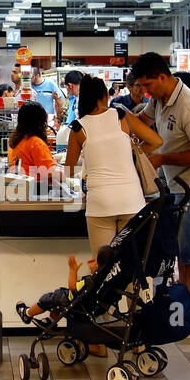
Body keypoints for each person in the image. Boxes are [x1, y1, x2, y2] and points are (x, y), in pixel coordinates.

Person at [131, 51, 190, 326]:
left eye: (147, 85)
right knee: (182, 252)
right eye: (140, 87)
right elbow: (141, 122)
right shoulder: (160, 100)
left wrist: (163, 158)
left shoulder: (189, 106)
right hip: (177, 186)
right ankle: (185, 317)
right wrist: (112, 121)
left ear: (162, 76)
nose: (144, 92)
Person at [65, 74, 162, 257]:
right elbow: (156, 141)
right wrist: (134, 150)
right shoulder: (121, 116)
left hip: (100, 203)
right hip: (131, 200)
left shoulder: (78, 128)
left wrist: (89, 159)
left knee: (102, 267)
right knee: (132, 263)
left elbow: (69, 171)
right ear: (104, 95)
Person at [16, 247, 114, 324]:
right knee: (55, 305)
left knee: (46, 299)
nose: (91, 261)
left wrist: (73, 270)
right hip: (87, 305)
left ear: (100, 266)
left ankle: (27, 313)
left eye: (95, 260)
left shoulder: (91, 281)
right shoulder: (106, 280)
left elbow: (73, 288)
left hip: (72, 302)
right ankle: (51, 321)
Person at [6, 100, 64, 186]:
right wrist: (69, 175)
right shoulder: (36, 143)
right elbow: (48, 172)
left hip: (20, 189)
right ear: (40, 121)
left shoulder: (15, 141)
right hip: (36, 191)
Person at [56, 69, 83, 149]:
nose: (68, 91)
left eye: (67, 88)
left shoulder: (80, 100)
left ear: (70, 86)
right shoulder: (79, 98)